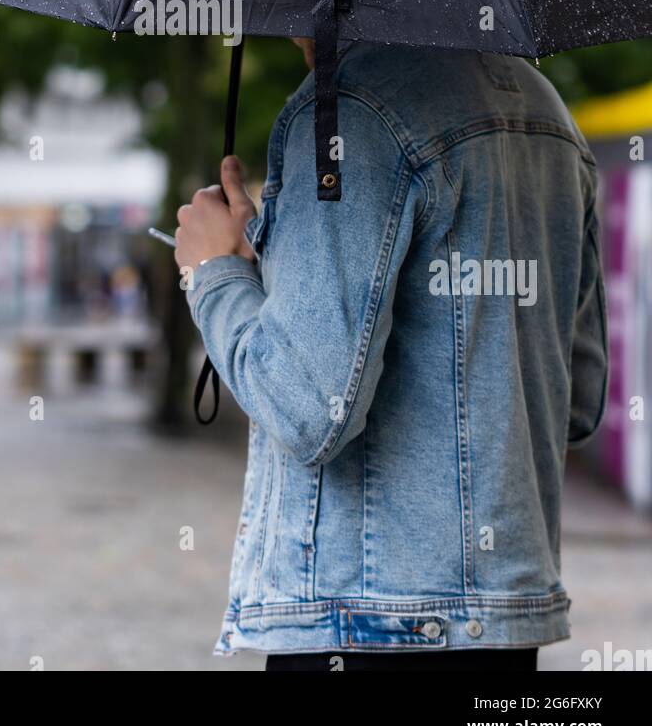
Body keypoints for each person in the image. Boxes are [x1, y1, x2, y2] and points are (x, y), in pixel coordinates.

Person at [174, 39, 607, 671]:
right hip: (504, 626)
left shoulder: (348, 110)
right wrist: (281, 262)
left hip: (369, 622)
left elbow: (308, 413)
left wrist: (214, 273)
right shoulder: (549, 115)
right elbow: (580, 400)